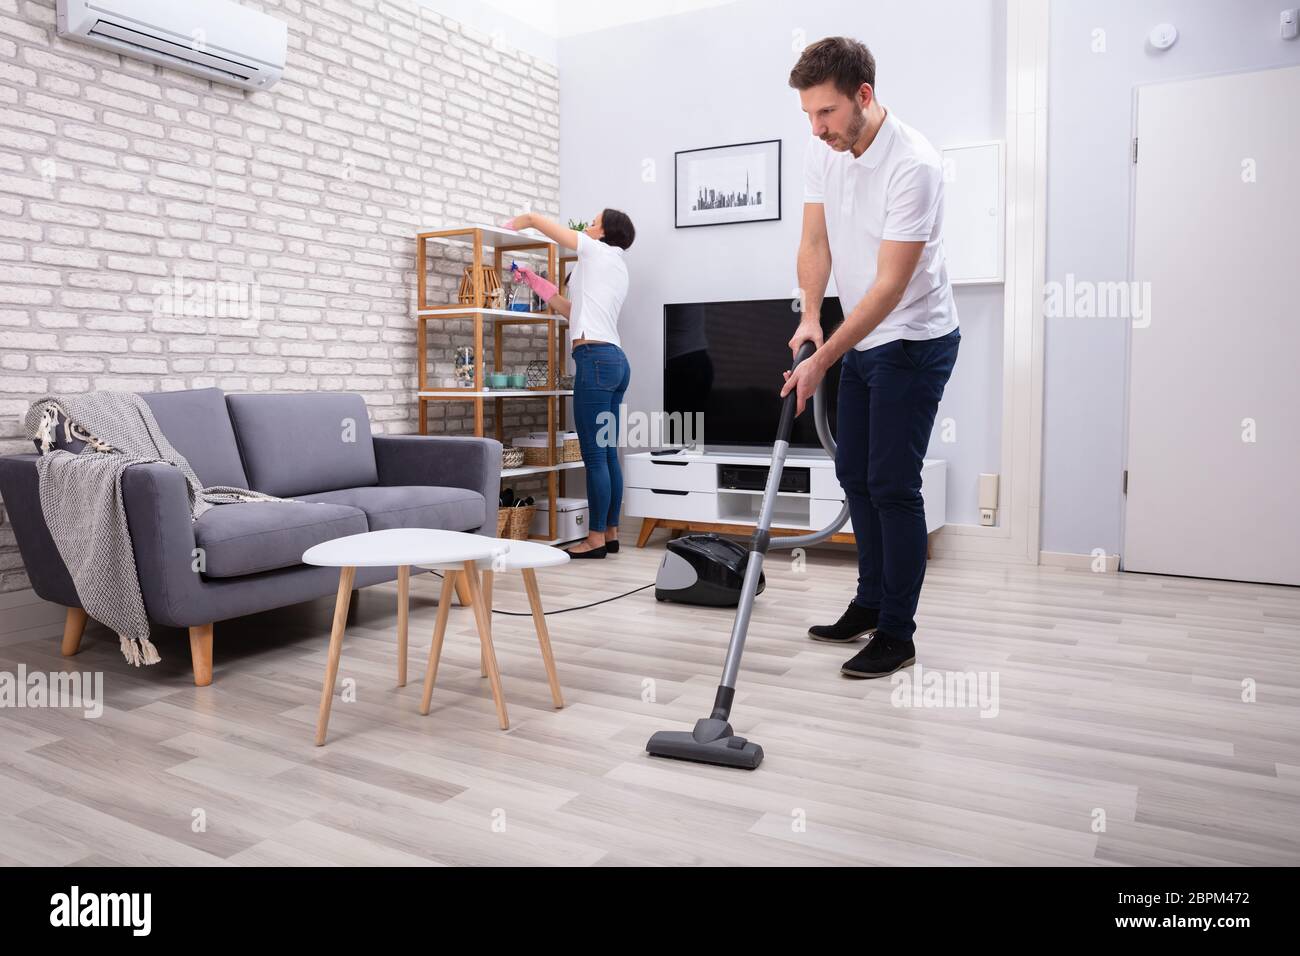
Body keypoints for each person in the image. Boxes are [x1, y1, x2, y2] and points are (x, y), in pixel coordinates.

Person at [780, 37, 961, 678]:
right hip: (859, 337)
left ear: (863, 96)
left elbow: (889, 287)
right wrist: (809, 317)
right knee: (854, 475)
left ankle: (897, 633)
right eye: (808, 114)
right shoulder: (821, 148)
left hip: (913, 338)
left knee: (890, 483)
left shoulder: (915, 166)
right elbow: (814, 239)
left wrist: (822, 358)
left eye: (826, 112)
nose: (816, 127)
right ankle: (868, 602)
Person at [503, 209, 636, 557]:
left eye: (594, 222)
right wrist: (534, 281)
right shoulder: (613, 265)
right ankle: (609, 533)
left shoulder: (598, 251)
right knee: (607, 455)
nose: (588, 227)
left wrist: (527, 219)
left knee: (595, 457)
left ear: (606, 232)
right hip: (615, 362)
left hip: (594, 362)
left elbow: (559, 234)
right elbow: (570, 309)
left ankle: (593, 540)